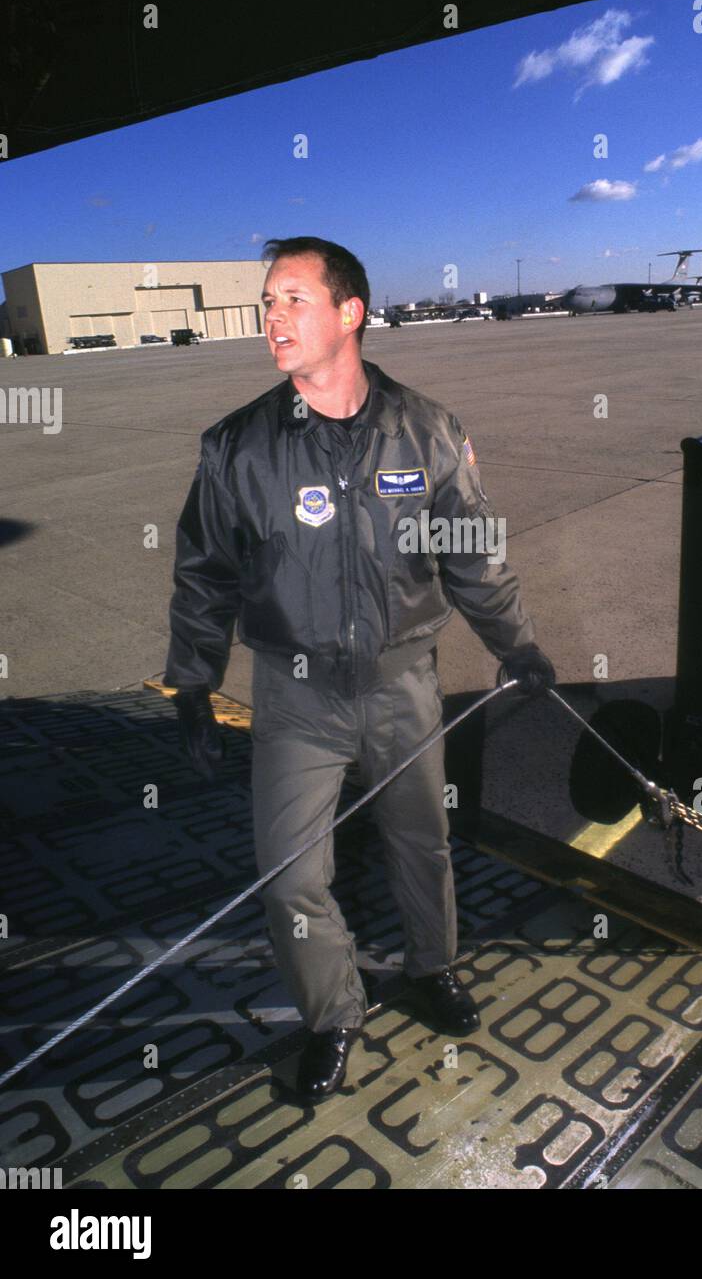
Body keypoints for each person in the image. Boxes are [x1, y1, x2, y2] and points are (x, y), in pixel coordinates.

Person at [163, 236, 555, 1106]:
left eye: (293, 299)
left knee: (423, 841)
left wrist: (516, 643)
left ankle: (431, 969)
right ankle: (333, 1015)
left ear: (351, 313)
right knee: (292, 873)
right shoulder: (238, 448)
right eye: (268, 301)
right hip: (295, 696)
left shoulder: (429, 431)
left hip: (402, 681)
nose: (273, 317)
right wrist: (192, 682)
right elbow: (204, 572)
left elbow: (472, 558)